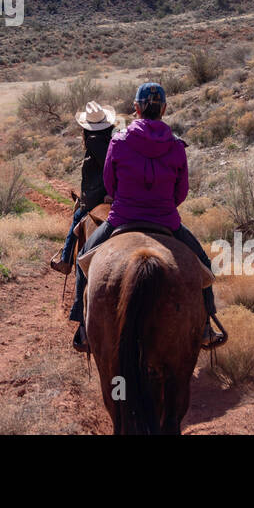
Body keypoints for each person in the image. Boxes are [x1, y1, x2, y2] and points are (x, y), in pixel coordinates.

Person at [69, 83, 226, 354]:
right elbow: (182, 191)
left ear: (137, 109)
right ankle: (206, 325)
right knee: (204, 266)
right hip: (167, 221)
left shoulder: (118, 141)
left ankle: (82, 325)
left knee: (84, 258)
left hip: (122, 218)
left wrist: (128, 201)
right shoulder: (176, 146)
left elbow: (110, 183)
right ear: (164, 109)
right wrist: (162, 206)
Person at [49, 101, 115, 274]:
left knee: (77, 219)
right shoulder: (110, 139)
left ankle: (65, 261)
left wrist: (109, 193)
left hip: (96, 197)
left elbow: (109, 168)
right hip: (102, 193)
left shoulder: (94, 142)